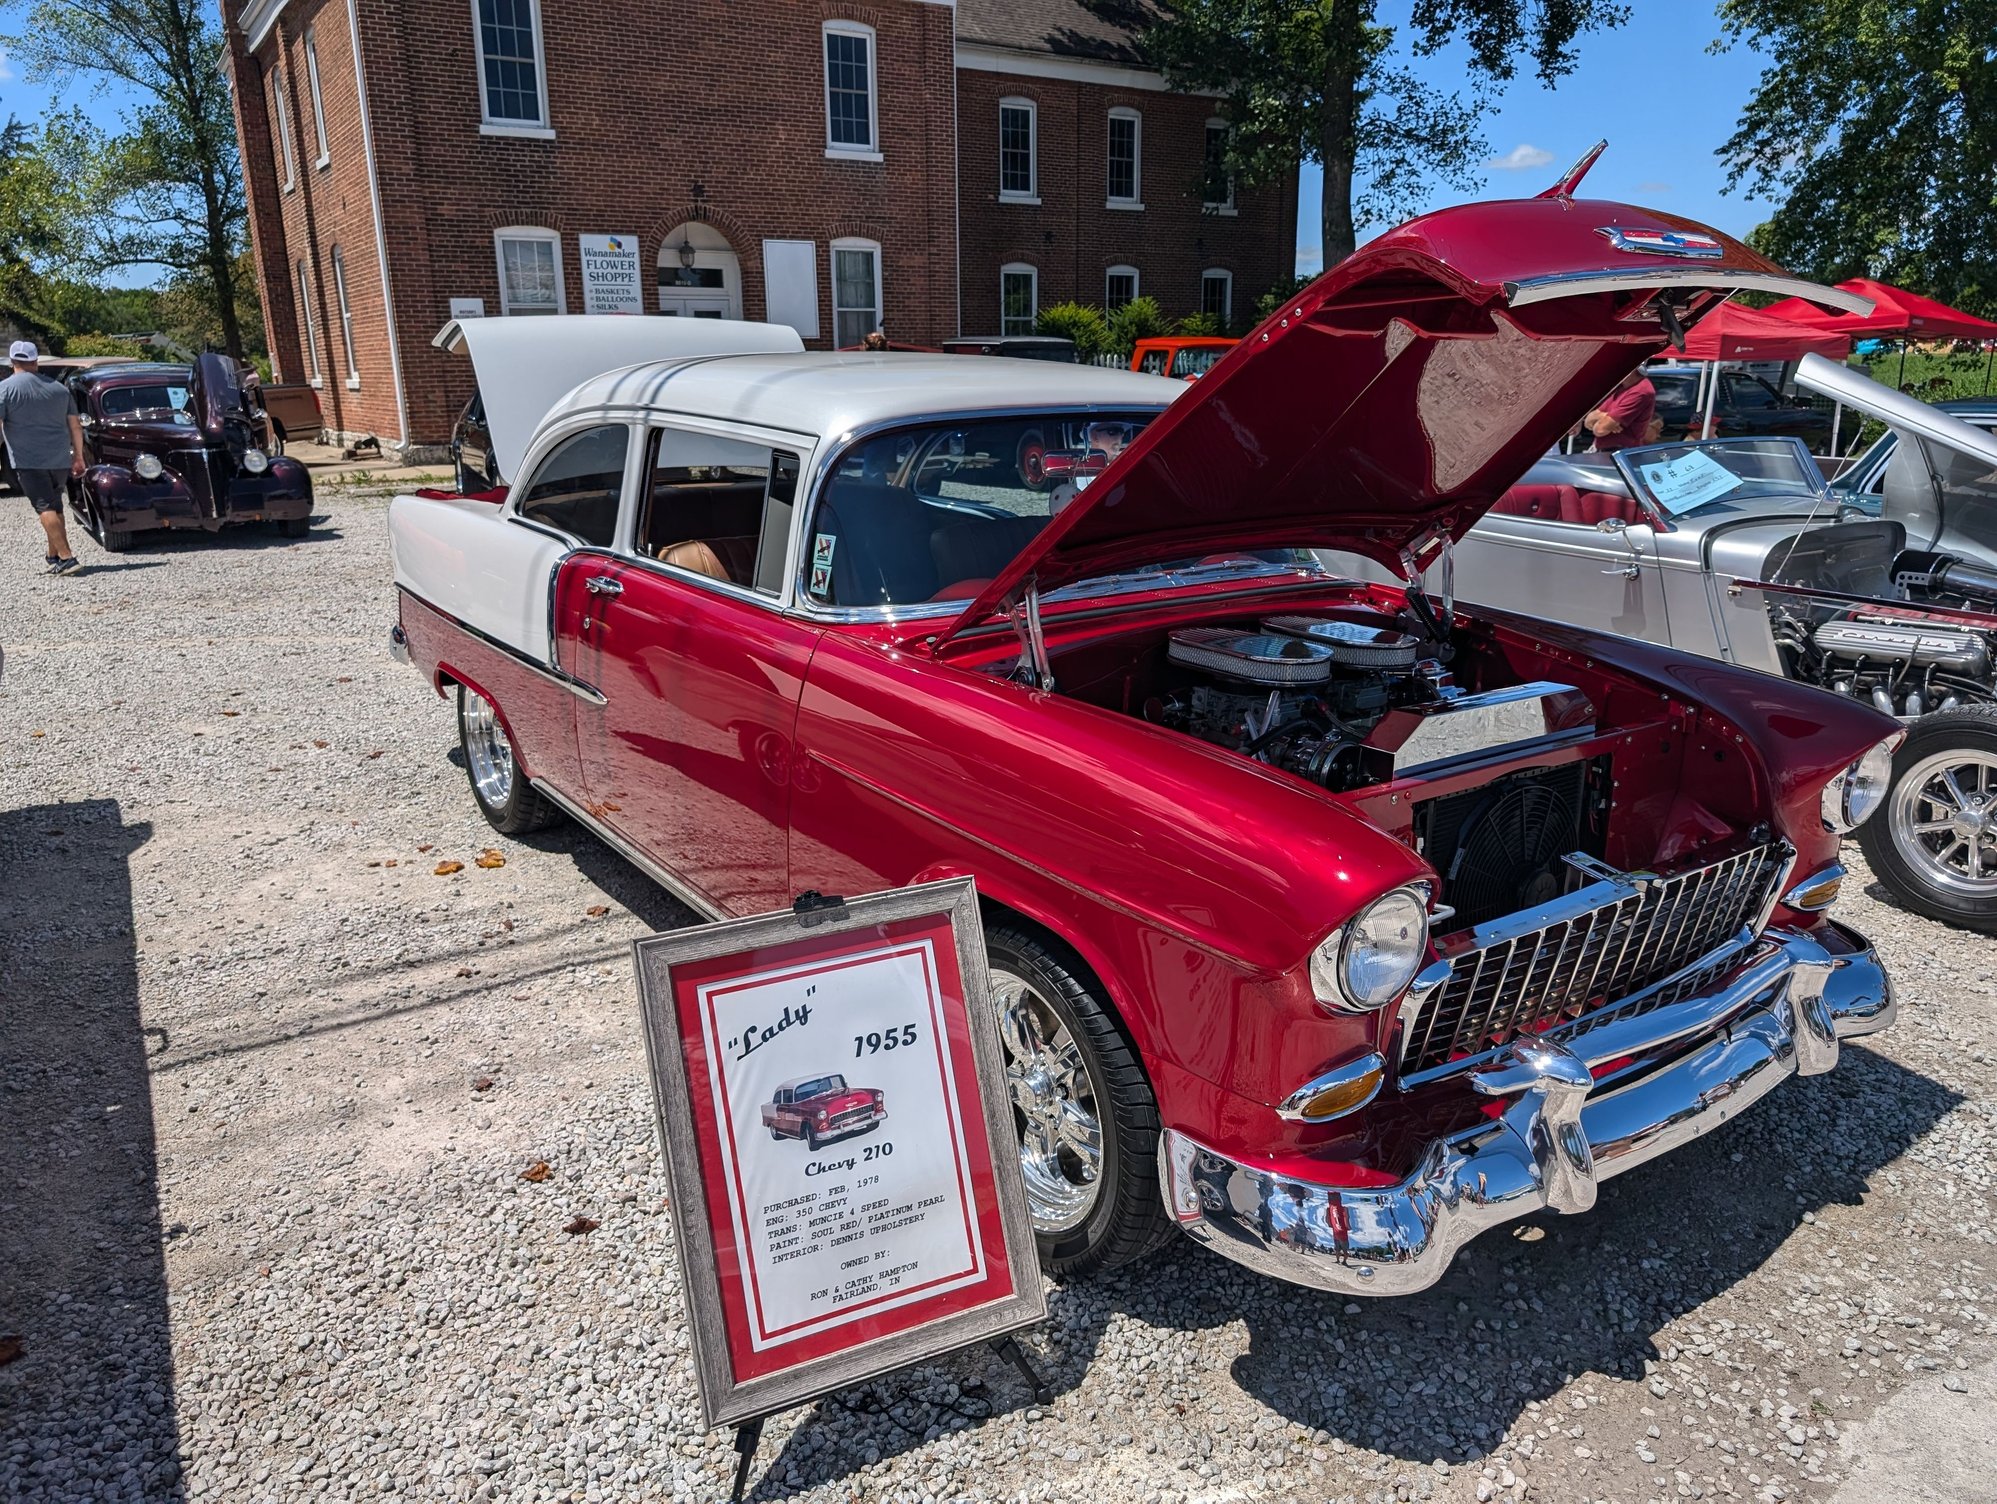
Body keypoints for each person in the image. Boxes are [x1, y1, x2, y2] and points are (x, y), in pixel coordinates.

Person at [0, 341, 83, 575]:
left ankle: (68, 558)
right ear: (36, 361)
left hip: (28, 461)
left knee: (44, 507)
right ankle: (54, 555)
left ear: (12, 362)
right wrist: (78, 456)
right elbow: (75, 426)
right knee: (55, 506)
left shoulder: (5, 389)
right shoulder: (59, 389)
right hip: (59, 460)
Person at [1582, 368, 1657, 452]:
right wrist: (1607, 417)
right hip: (1604, 450)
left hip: (1620, 453)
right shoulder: (1622, 387)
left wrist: (1605, 420)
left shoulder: (1641, 391)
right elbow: (1588, 421)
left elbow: (1600, 429)